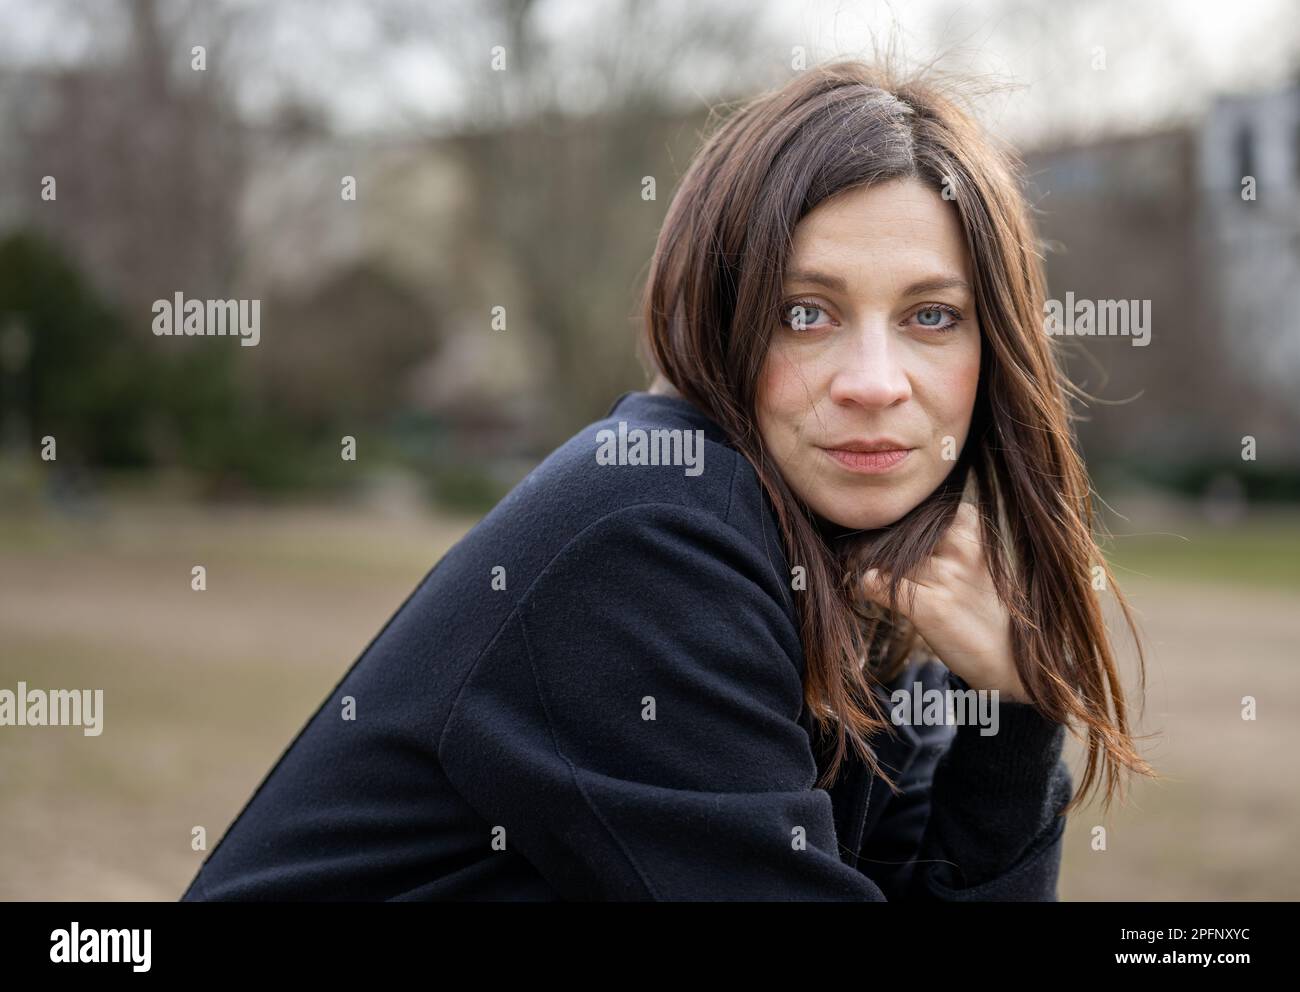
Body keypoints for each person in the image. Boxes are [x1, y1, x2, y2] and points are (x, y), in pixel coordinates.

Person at [180, 59, 1155, 902]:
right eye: (804, 313)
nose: (872, 382)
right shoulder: (653, 530)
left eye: (931, 315)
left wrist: (1014, 721)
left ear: (998, 349)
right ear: (722, 320)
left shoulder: (879, 570)